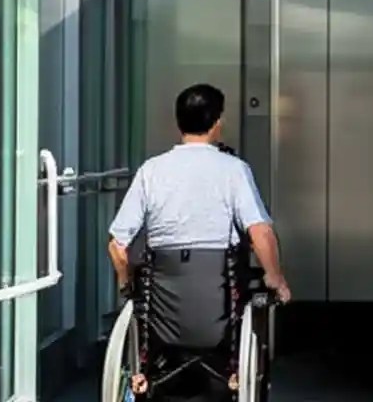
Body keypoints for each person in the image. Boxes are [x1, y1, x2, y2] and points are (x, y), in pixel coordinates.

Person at [107, 83, 291, 305]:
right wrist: (275, 278)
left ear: (179, 123)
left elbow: (117, 244)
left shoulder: (151, 170)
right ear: (216, 123)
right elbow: (260, 233)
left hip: (161, 296)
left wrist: (125, 282)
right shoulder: (234, 169)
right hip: (221, 292)